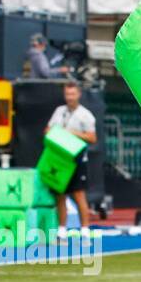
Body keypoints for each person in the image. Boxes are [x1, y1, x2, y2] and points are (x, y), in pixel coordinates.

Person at [47, 80, 98, 230]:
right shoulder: (59, 111)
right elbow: (47, 129)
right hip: (60, 158)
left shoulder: (85, 115)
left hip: (77, 159)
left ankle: (85, 229)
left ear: (78, 95)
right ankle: (62, 229)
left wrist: (73, 133)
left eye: (72, 94)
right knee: (60, 194)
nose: (70, 97)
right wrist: (55, 133)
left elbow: (92, 138)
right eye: (67, 94)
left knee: (78, 194)